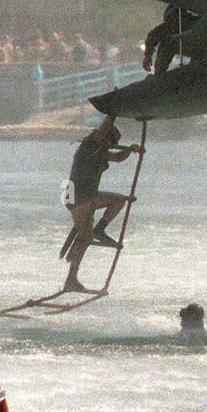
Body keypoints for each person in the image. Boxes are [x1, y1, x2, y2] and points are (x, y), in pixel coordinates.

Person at [61, 115, 143, 292]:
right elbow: (106, 125)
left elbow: (117, 157)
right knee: (85, 238)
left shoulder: (99, 150)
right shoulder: (92, 143)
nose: (110, 145)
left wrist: (130, 150)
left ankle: (100, 229)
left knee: (119, 200)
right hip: (78, 197)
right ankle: (71, 279)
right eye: (111, 141)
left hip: (86, 196)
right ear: (105, 137)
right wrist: (113, 111)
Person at [143, 5, 193, 77]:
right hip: (189, 47)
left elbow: (152, 36)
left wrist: (147, 56)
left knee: (167, 45)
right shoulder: (167, 27)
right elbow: (152, 37)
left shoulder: (170, 26)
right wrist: (147, 56)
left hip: (195, 46)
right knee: (166, 45)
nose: (174, 22)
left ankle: (159, 74)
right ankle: (159, 74)